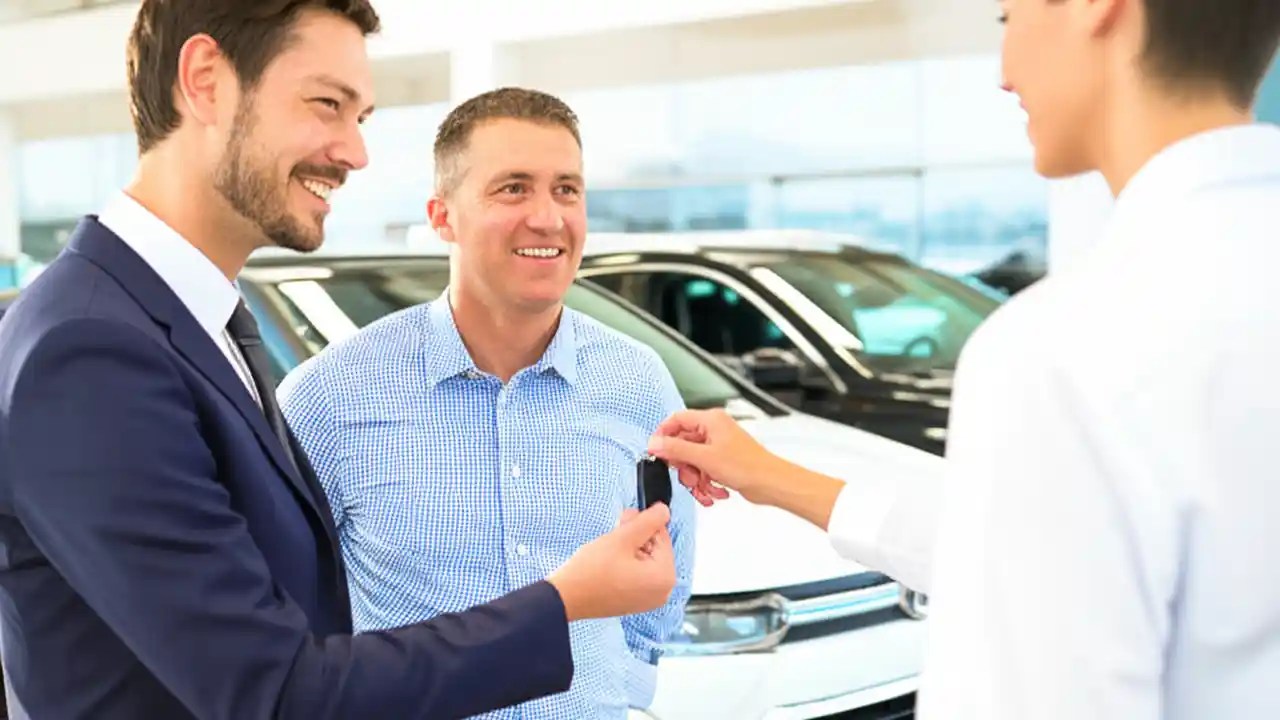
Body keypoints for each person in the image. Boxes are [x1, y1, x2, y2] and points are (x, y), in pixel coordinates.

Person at [0, 3, 678, 719]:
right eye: (328, 105)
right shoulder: (91, 351)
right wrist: (565, 602)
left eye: (362, 119)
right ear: (204, 81)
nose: (356, 153)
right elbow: (278, 691)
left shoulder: (195, 324)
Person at [647, 0, 1280, 718]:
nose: (1004, 75)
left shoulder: (1065, 346)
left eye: (1007, 19)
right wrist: (775, 477)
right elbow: (1035, 551)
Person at [277, 87, 697, 719]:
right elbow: (285, 619)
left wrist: (618, 697)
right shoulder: (330, 397)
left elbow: (661, 599)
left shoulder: (638, 383)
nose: (549, 218)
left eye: (566, 189)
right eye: (513, 188)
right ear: (442, 216)